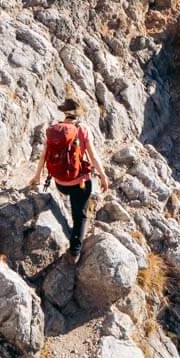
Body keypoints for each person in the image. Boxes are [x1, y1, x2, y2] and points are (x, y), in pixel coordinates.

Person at [29, 98, 109, 259]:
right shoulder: (83, 129)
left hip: (59, 182)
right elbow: (93, 156)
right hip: (79, 183)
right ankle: (74, 253)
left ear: (65, 113)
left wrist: (36, 177)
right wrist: (103, 175)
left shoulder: (53, 129)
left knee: (74, 199)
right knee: (80, 217)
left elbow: (44, 155)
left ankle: (70, 212)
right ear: (78, 115)